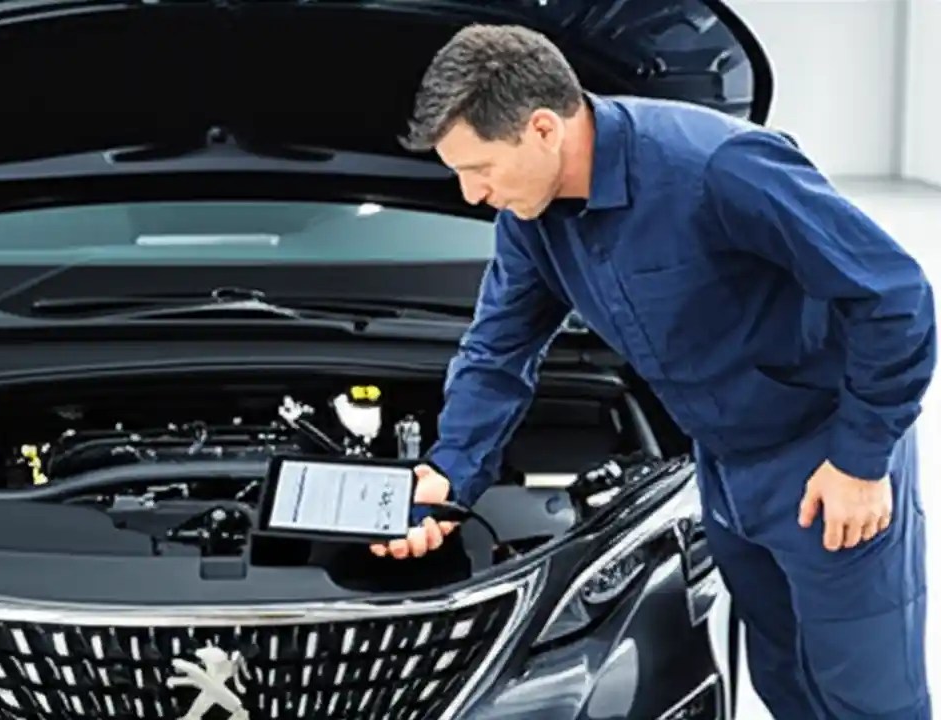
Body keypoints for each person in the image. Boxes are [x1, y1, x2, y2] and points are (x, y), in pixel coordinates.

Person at [371, 23, 936, 720]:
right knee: (784, 682)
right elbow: (499, 347)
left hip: (824, 462)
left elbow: (894, 295)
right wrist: (452, 470)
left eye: (479, 168)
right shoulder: (533, 218)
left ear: (543, 129)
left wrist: (860, 458)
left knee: (867, 700)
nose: (470, 193)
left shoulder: (717, 169)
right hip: (724, 471)